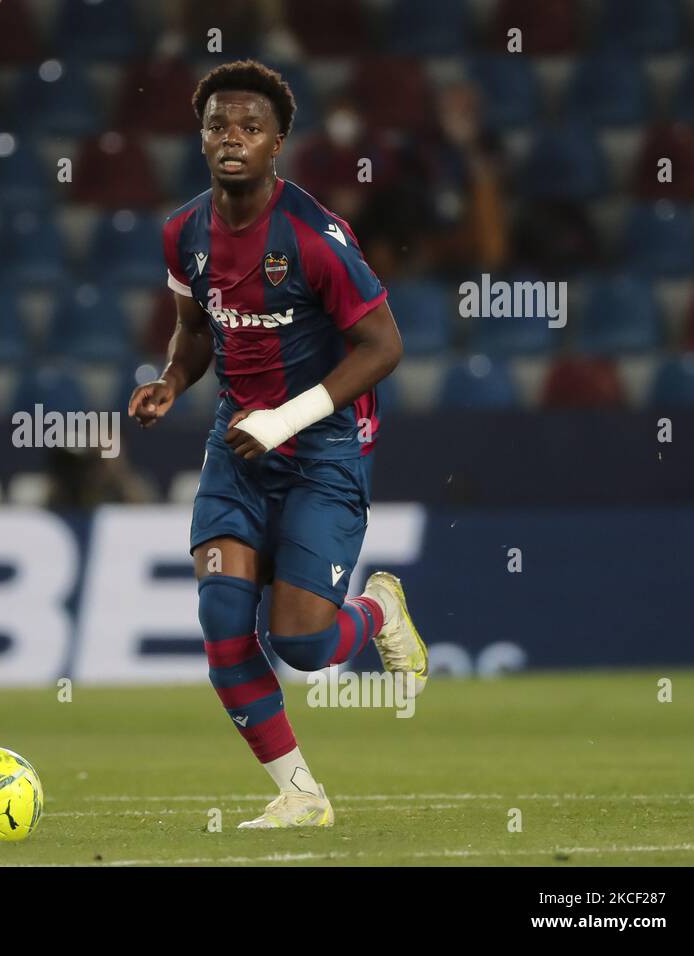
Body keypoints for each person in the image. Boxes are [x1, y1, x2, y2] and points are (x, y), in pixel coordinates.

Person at [128, 60, 428, 829]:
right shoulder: (183, 233)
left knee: (301, 644)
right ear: (201, 139)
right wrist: (171, 380)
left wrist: (285, 420)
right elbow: (196, 331)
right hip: (238, 448)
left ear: (276, 144)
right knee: (223, 617)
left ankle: (377, 610)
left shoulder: (314, 238)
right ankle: (300, 793)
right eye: (219, 126)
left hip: (323, 449)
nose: (233, 138)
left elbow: (385, 346)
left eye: (251, 128)